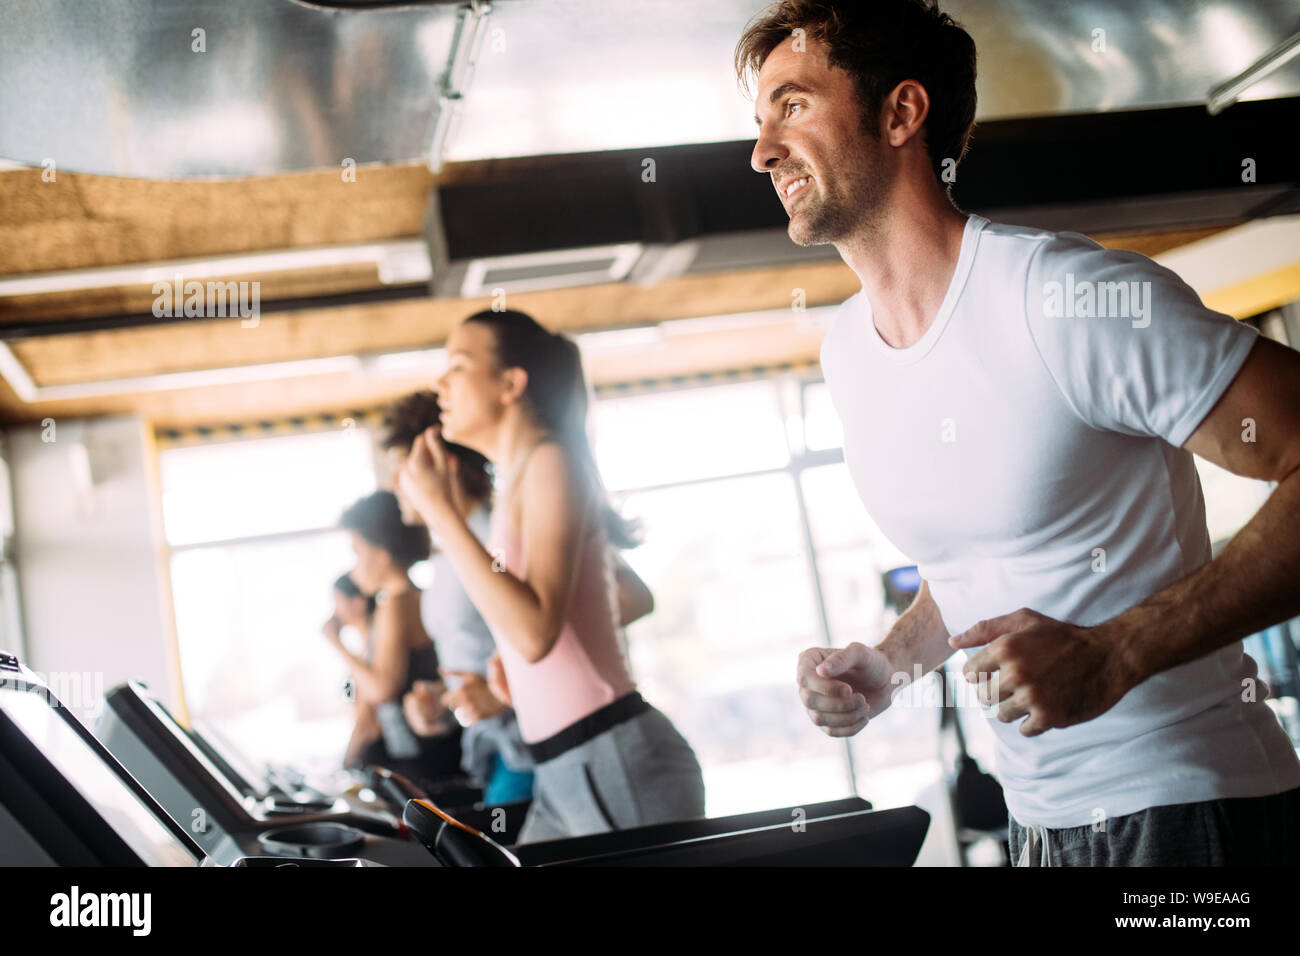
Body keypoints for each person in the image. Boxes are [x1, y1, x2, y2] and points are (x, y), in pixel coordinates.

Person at [737, 0, 1300, 866]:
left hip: (1193, 811)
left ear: (901, 113)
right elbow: (975, 566)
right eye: (761, 118)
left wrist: (1120, 652)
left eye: (795, 105)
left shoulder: (1064, 299)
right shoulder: (847, 350)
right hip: (1037, 827)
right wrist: (889, 665)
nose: (763, 150)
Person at [396, 309, 706, 842]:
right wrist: (508, 683)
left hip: (612, 760)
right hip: (562, 766)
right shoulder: (518, 478)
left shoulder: (551, 462)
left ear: (511, 384)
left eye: (458, 366)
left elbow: (536, 631)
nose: (440, 382)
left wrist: (440, 512)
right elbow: (541, 634)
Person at [378, 390, 536, 805]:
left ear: (440, 464)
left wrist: (507, 694)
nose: (394, 485)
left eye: (402, 469)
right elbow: (479, 667)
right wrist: (440, 707)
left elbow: (553, 631)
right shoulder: (448, 557)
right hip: (496, 751)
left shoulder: (498, 537)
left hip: (534, 756)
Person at [325, 490, 461, 782]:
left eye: (358, 552)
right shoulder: (409, 597)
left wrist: (336, 642)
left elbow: (381, 689)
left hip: (421, 759)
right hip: (427, 749)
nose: (355, 568)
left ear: (382, 554)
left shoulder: (395, 604)